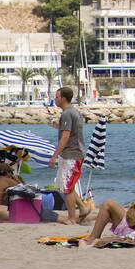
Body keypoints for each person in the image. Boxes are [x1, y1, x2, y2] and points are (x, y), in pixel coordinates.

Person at [47, 86, 88, 223]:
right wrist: (59, 126)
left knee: (67, 188)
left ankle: (71, 218)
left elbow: (65, 136)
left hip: (72, 154)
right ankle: (82, 208)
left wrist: (54, 156)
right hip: (74, 153)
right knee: (66, 184)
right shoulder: (72, 112)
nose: (55, 99)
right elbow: (71, 130)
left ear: (64, 98)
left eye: (57, 97)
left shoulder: (67, 114)